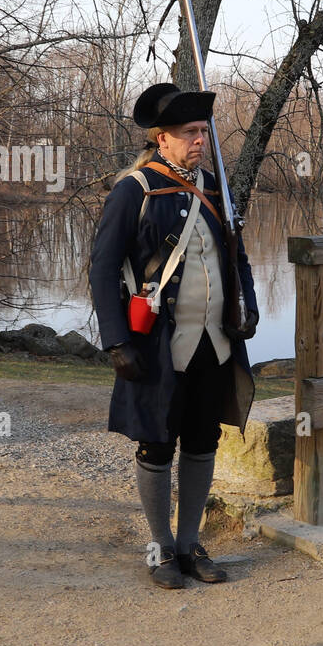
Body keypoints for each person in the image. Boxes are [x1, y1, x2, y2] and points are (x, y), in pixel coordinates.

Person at [89, 82, 258, 589]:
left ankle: (189, 544)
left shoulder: (216, 189)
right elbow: (101, 269)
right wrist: (117, 341)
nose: (200, 141)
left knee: (203, 440)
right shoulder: (134, 189)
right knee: (157, 444)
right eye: (190, 133)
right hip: (158, 343)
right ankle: (160, 546)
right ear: (162, 139)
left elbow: (238, 258)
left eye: (203, 131)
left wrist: (247, 305)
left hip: (214, 341)